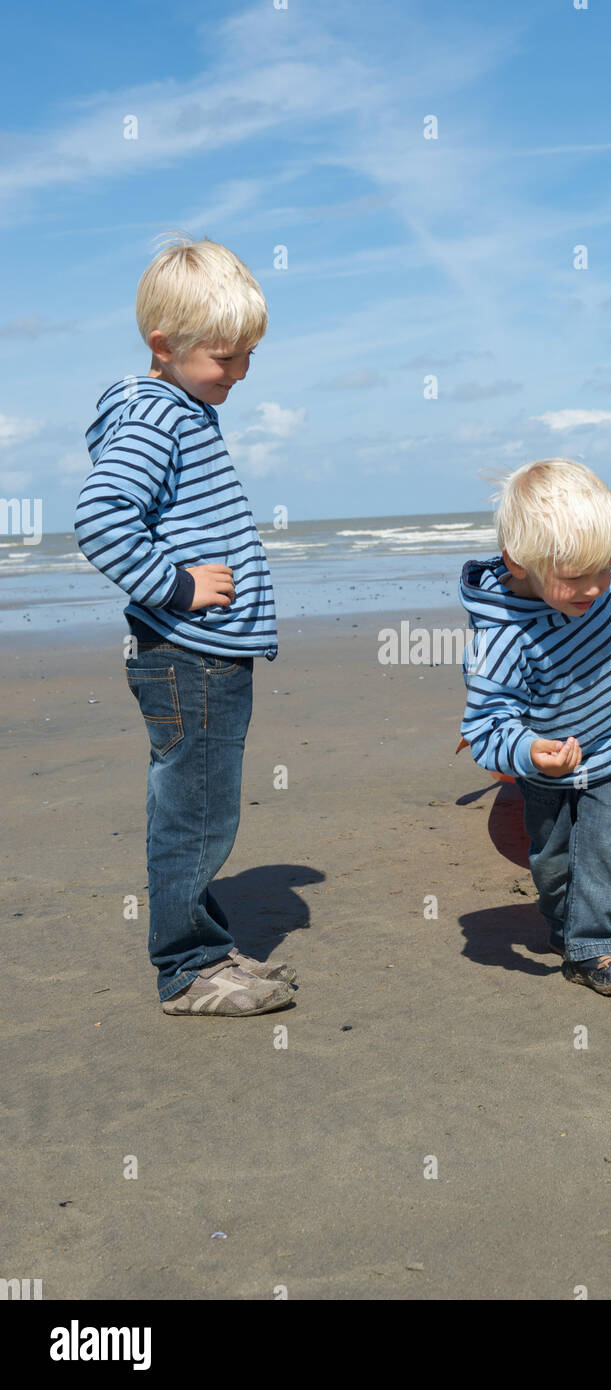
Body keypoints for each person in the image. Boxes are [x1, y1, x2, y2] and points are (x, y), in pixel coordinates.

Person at [75, 234, 295, 1017]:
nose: (238, 374)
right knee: (194, 811)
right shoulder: (155, 419)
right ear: (163, 347)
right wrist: (174, 585)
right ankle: (188, 970)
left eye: (247, 358)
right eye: (225, 358)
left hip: (204, 656)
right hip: (187, 654)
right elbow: (101, 520)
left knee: (205, 806)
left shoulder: (181, 407)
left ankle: (204, 939)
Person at [459, 458, 611, 995]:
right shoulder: (499, 643)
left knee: (609, 847)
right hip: (546, 762)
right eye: (576, 577)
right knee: (554, 857)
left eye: (606, 568)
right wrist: (527, 751)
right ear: (517, 564)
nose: (596, 589)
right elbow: (486, 727)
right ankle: (568, 927)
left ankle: (602, 948)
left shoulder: (602, 582)